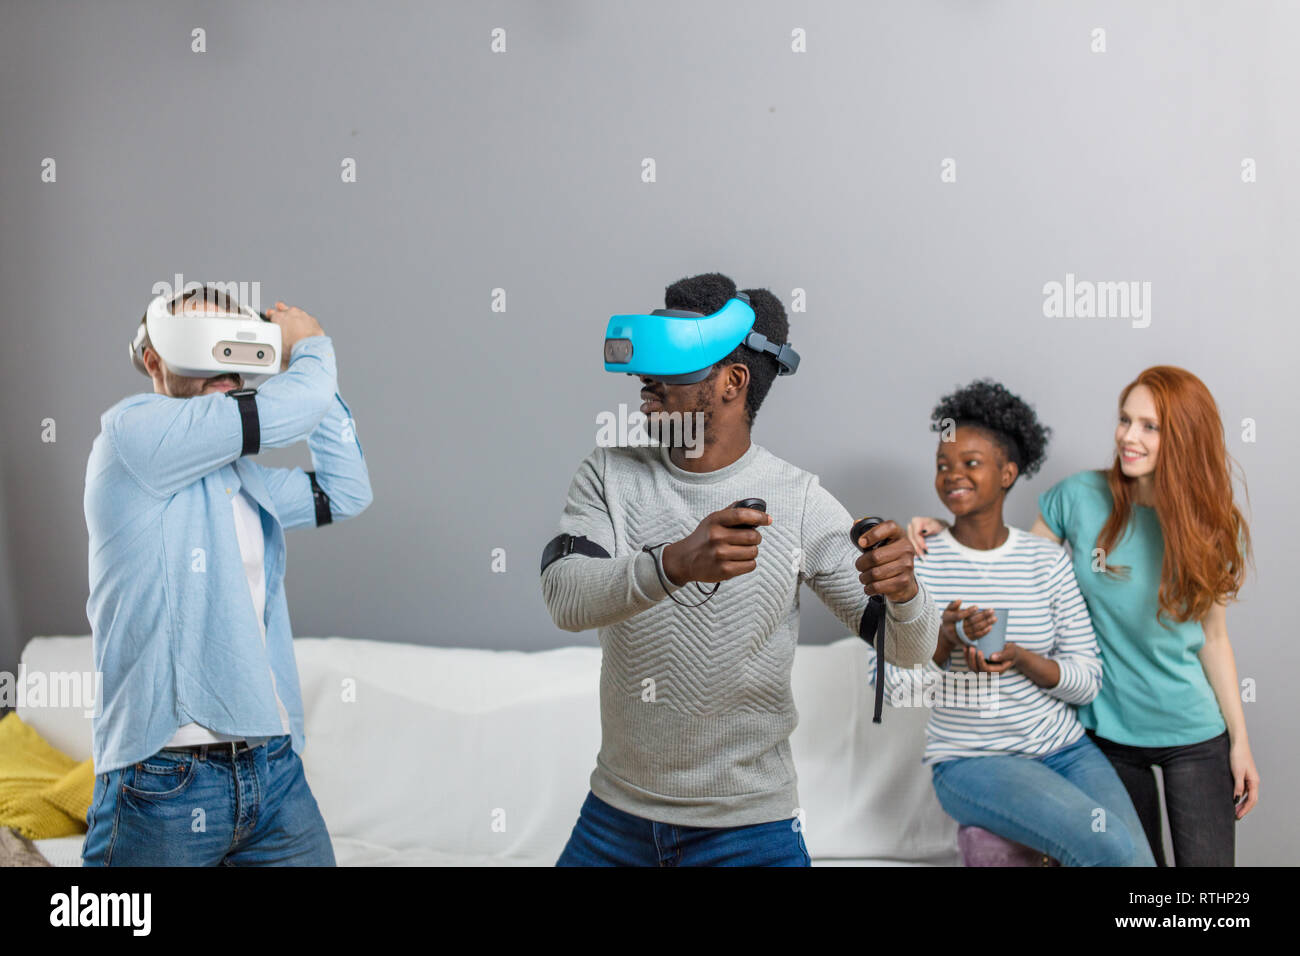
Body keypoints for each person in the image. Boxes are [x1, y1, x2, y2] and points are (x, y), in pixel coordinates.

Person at [541, 272, 941, 867]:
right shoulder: (608, 473)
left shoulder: (798, 501)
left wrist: (904, 592)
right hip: (616, 819)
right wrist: (676, 563)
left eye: (669, 365)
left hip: (748, 831)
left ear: (732, 381)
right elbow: (566, 599)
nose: (644, 382)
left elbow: (909, 650)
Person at [907, 367, 1258, 866]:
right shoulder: (1078, 499)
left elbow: (1214, 639)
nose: (1127, 437)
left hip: (1193, 733)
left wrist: (1240, 743)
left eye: (1148, 426)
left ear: (1184, 437)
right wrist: (952, 531)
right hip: (1107, 732)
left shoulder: (1216, 528)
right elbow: (1012, 566)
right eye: (1124, 420)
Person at [81, 286, 373, 866]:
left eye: (234, 344)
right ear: (154, 360)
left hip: (271, 771)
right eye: (203, 341)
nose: (223, 359)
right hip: (162, 778)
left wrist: (305, 369)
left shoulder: (245, 478)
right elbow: (283, 411)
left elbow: (346, 490)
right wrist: (312, 347)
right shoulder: (133, 434)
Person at [873, 379, 1153, 866]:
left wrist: (1019, 658)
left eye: (970, 464)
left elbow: (1087, 681)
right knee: (1105, 847)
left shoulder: (1047, 561)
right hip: (973, 762)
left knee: (1137, 859)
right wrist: (939, 643)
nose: (951, 475)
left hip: (1066, 751)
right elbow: (886, 688)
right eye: (943, 465)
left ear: (1008, 473)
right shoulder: (920, 563)